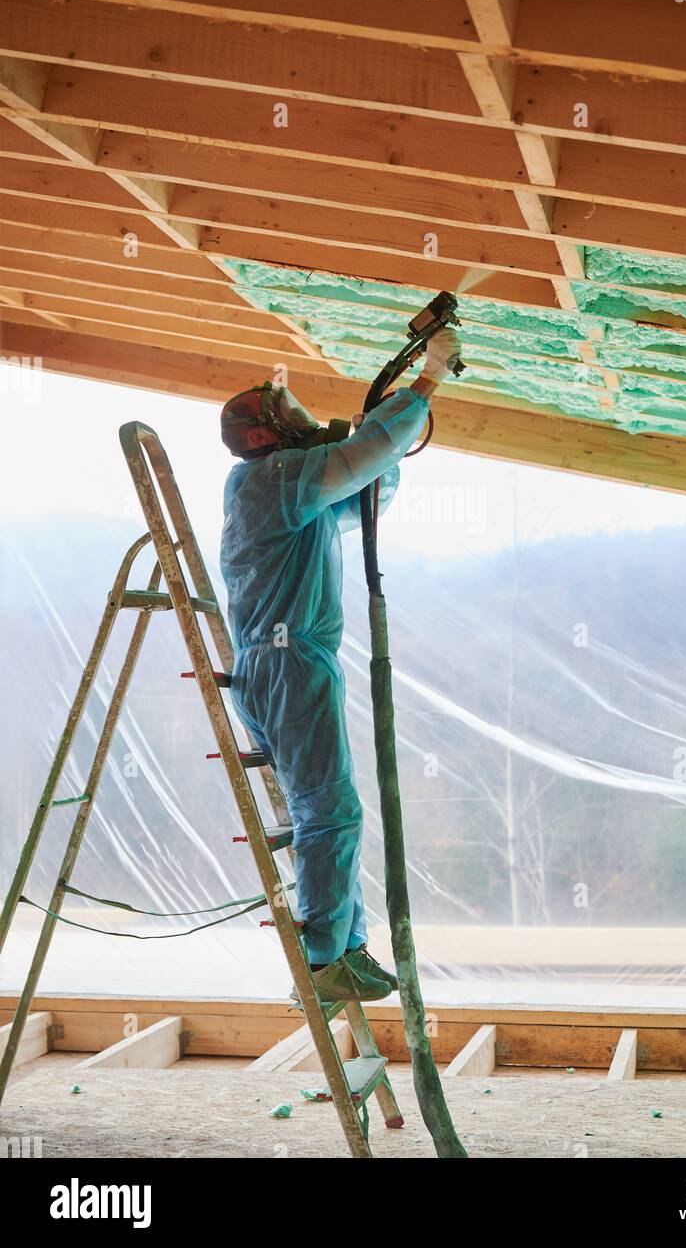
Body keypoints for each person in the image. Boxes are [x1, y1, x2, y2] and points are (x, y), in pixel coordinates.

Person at [219, 327, 462, 1002]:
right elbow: (362, 458)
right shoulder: (269, 480)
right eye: (286, 414)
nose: (301, 420)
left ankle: (343, 947)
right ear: (261, 436)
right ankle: (326, 962)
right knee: (330, 812)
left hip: (285, 662)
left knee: (327, 812)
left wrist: (379, 434)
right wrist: (425, 382)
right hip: (287, 662)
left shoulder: (289, 490)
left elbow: (369, 489)